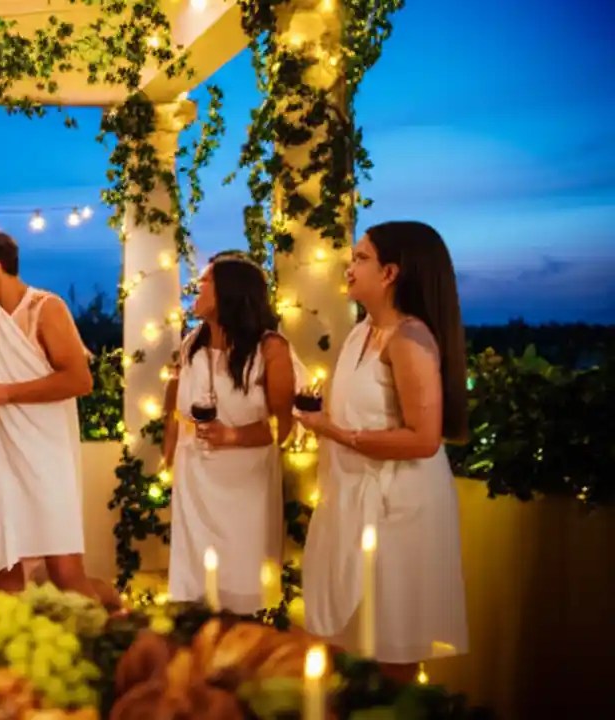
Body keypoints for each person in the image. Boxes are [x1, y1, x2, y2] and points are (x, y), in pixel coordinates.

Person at [297, 221, 469, 682]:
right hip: (348, 499)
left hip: (399, 508)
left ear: (390, 272)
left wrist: (335, 432)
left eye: (360, 258)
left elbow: (424, 438)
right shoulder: (360, 334)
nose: (349, 266)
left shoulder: (410, 339)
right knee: (345, 645)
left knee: (390, 643)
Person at [0, 231, 95, 597]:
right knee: (4, 574)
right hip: (1, 457)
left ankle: (119, 627)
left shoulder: (46, 308)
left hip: (46, 456)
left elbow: (79, 380)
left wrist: (7, 394)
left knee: (66, 576)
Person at [161, 254, 297, 613]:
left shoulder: (270, 348)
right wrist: (169, 454)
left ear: (229, 292)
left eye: (205, 281)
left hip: (246, 482)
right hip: (195, 475)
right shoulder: (193, 342)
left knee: (241, 579)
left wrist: (232, 436)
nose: (196, 287)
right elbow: (175, 407)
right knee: (195, 588)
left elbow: (284, 426)